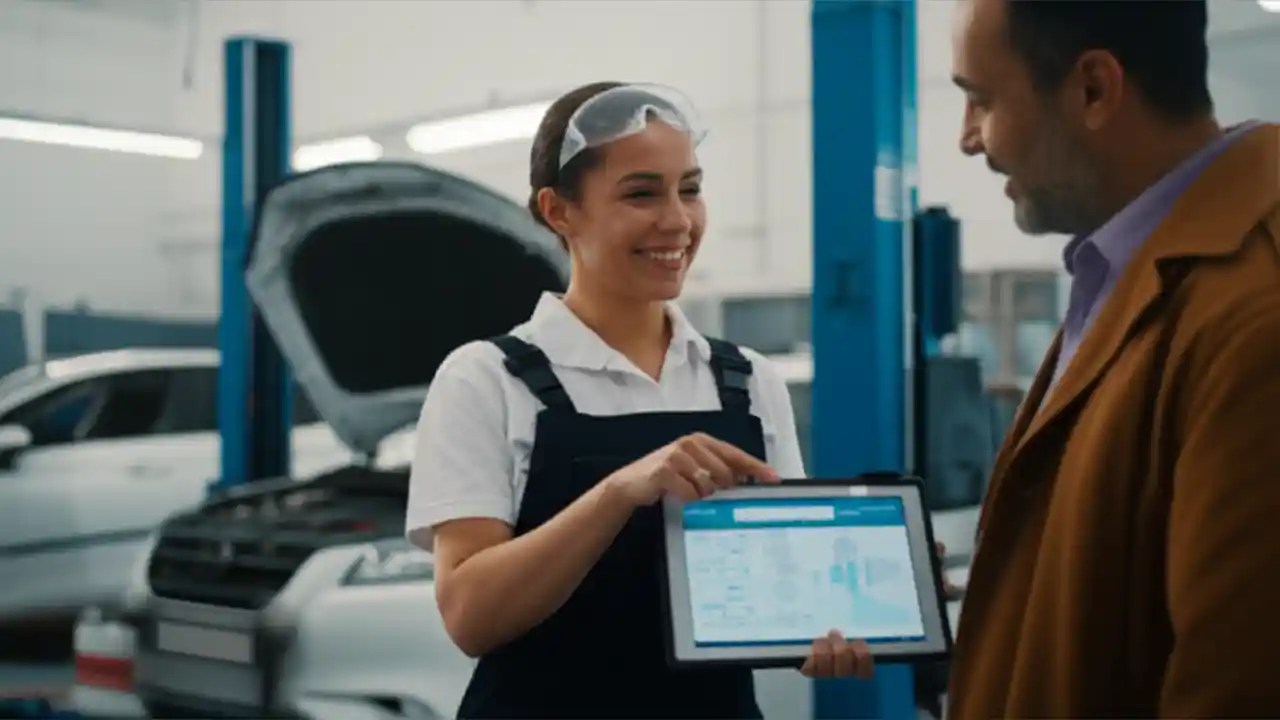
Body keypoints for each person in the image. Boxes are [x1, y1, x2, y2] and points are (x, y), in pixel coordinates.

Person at [404, 82, 874, 719]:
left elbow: (777, 594)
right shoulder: (486, 380)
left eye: (690, 188)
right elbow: (471, 616)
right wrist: (616, 493)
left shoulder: (746, 381)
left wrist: (857, 604)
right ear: (558, 211)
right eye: (641, 193)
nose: (678, 220)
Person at [947, 0, 1280, 717]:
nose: (968, 139)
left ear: (1095, 88)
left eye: (980, 99)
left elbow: (1239, 690)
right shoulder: (1128, 267)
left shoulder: (1255, 310)